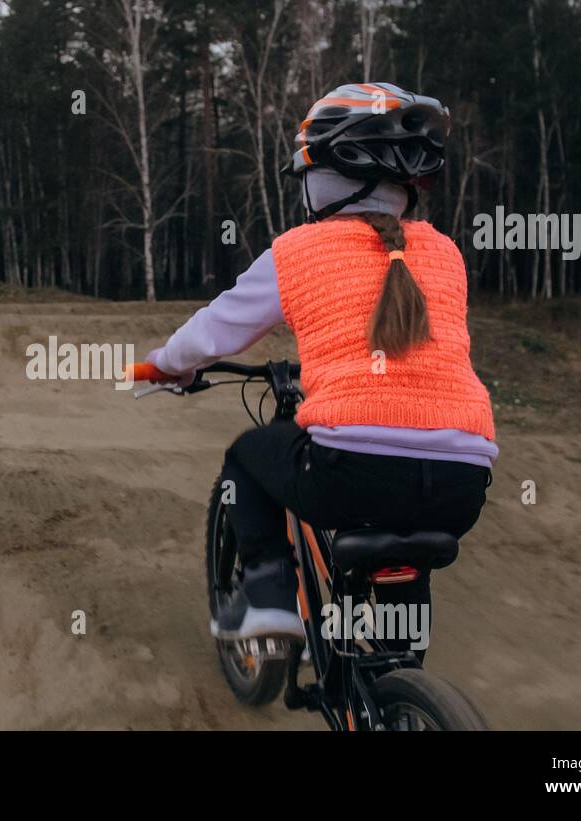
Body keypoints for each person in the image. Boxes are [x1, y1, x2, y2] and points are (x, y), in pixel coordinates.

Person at [145, 83, 496, 656]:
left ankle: (269, 599)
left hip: (350, 469)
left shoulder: (297, 251)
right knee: (403, 544)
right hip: (462, 480)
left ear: (330, 176)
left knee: (247, 456)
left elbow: (213, 331)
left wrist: (164, 367)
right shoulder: (445, 252)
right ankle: (398, 680)